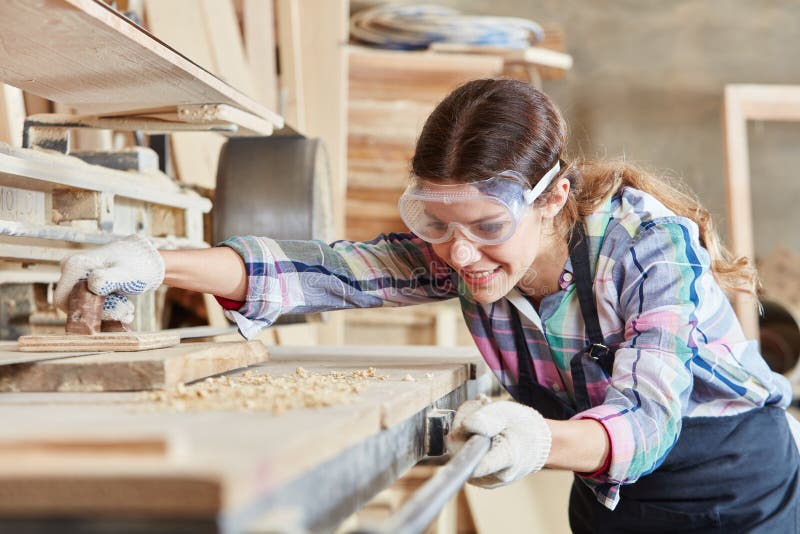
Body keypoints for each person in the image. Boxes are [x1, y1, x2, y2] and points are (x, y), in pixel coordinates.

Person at [55, 79, 799, 532]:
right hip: (611, 505)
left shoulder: (646, 244)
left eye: (486, 228)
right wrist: (157, 261)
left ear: (554, 201)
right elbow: (331, 270)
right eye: (437, 225)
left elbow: (648, 420)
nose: (459, 254)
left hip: (733, 492)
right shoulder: (461, 250)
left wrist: (540, 441)